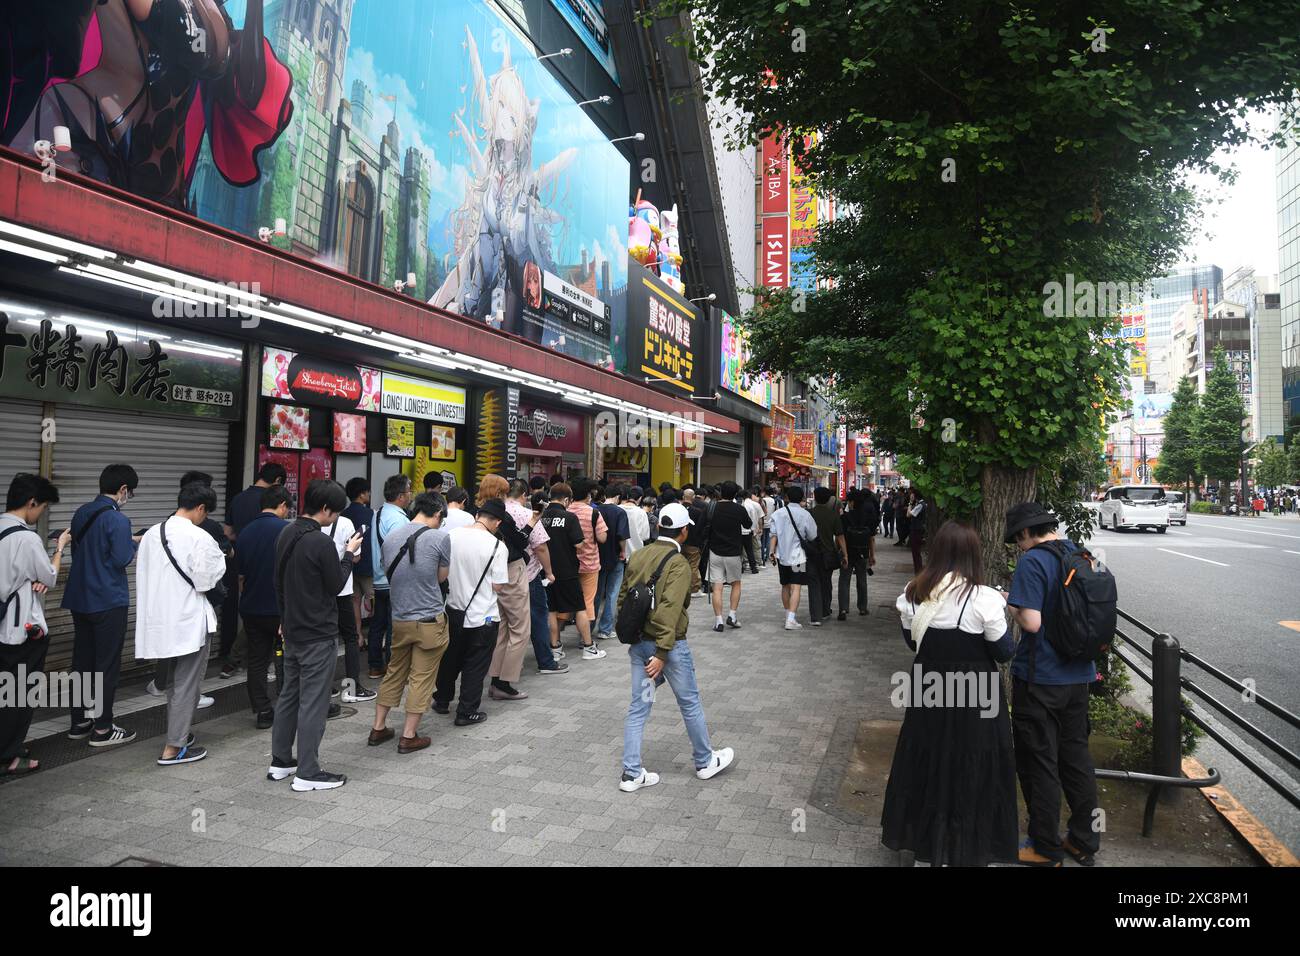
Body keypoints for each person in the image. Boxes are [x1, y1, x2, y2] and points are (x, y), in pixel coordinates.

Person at [882, 521, 1017, 866]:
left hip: (930, 686)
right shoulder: (984, 598)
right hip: (977, 691)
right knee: (973, 762)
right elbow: (1003, 652)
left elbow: (913, 642)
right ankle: (967, 845)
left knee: (929, 758)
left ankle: (927, 848)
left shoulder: (913, 594)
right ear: (974, 555)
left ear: (936, 551)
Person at [1004, 502, 1101, 867]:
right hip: (1079, 676)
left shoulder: (1033, 561)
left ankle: (1045, 846)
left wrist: (1011, 605)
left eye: (1018, 538)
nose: (1018, 545)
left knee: (1038, 760)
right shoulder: (1079, 552)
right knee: (1076, 758)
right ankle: (1083, 840)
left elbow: (1030, 623)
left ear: (1027, 532)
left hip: (1040, 677)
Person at [618, 502, 735, 792]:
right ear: (683, 532)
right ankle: (705, 761)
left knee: (639, 708)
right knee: (689, 702)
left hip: (640, 647)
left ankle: (632, 774)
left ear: (659, 527)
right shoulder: (678, 563)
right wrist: (661, 653)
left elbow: (623, 601)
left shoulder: (639, 555)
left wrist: (641, 644)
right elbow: (669, 609)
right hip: (667, 650)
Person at [270, 480, 363, 791]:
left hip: (292, 628)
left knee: (288, 697)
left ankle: (281, 761)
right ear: (325, 509)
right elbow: (336, 585)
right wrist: (349, 554)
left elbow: (279, 581)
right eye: (335, 512)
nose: (335, 518)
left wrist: (283, 619)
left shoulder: (285, 532)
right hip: (318, 632)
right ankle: (308, 771)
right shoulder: (320, 542)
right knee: (313, 702)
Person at [135, 482, 228, 766]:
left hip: (158, 621)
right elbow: (207, 580)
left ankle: (180, 735)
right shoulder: (198, 537)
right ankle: (173, 748)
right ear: (200, 508)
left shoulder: (152, 533)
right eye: (205, 512)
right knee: (187, 685)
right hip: (188, 621)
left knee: (174, 684)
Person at [63, 463, 139, 748]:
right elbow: (121, 559)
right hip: (108, 599)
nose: (128, 497)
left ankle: (79, 721)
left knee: (82, 662)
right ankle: (103, 728)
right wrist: (134, 544)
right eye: (129, 492)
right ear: (122, 489)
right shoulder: (118, 520)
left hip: (80, 598)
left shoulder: (82, 512)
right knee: (106, 665)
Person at [370, 492, 451, 753]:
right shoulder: (440, 538)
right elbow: (441, 578)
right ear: (437, 513)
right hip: (428, 619)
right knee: (422, 678)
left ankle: (378, 728)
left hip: (400, 618)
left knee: (394, 672)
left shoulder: (391, 536)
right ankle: (408, 735)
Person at [1, 474, 70, 776]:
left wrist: (30, 579)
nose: (41, 512)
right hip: (19, 632)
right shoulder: (26, 538)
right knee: (18, 694)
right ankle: (10, 755)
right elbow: (50, 577)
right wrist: (59, 548)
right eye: (42, 506)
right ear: (31, 503)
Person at [147, 471, 225, 709]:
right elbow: (206, 580)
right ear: (201, 507)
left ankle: (162, 685)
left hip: (163, 607)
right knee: (189, 668)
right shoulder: (203, 531)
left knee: (171, 653)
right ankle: (177, 736)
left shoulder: (157, 530)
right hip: (192, 609)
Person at [433, 497, 510, 725]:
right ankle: (466, 711)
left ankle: (443, 700)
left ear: (478, 515)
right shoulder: (497, 546)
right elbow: (498, 585)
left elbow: (441, 573)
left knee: (449, 659)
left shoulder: (452, 536)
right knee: (476, 664)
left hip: (453, 610)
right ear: (496, 522)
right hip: (483, 615)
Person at [223, 461, 289, 677]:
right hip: (272, 570)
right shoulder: (279, 522)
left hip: (244, 567)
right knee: (272, 622)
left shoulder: (239, 498)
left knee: (253, 622)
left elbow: (229, 532)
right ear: (278, 482)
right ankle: (272, 666)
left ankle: (233, 661)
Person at [235, 485, 292, 728]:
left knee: (257, 660)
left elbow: (240, 576)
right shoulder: (286, 530)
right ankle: (288, 703)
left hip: (251, 607)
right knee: (288, 657)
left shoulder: (245, 532)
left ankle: (262, 710)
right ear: (281, 505)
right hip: (280, 608)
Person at [482, 476, 538, 700]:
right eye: (504, 493)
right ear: (499, 493)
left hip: (491, 575)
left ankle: (496, 678)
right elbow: (522, 541)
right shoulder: (501, 516)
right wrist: (532, 523)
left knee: (503, 628)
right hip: (511, 572)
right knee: (520, 629)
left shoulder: (478, 513)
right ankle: (504, 682)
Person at [541, 484, 605, 660]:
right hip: (567, 569)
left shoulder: (542, 517)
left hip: (547, 571)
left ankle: (555, 648)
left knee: (552, 610)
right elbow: (578, 543)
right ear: (567, 499)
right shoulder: (569, 517)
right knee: (579, 607)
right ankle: (589, 647)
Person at [512, 483, 567, 676]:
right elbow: (540, 547)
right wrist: (549, 572)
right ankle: (546, 661)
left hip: (500, 576)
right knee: (537, 617)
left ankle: (505, 666)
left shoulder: (494, 512)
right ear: (524, 495)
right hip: (528, 574)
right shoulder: (527, 515)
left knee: (506, 622)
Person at [322, 501, 374, 704]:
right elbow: (356, 558)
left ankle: (326, 688)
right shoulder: (344, 523)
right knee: (350, 638)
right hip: (342, 590)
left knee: (325, 638)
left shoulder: (307, 524)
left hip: (319, 592)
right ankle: (352, 688)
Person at [369, 474, 412, 680]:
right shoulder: (398, 519)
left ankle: (375, 665)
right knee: (394, 627)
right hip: (393, 580)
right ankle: (394, 670)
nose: (411, 495)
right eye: (409, 491)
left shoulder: (377, 513)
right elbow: (400, 550)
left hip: (379, 579)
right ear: (401, 496)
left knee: (378, 624)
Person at [769, 485, 822, 629]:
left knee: (785, 586)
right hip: (798, 556)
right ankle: (791, 619)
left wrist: (771, 552)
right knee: (796, 587)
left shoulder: (778, 514)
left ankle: (788, 615)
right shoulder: (805, 514)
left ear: (786, 497)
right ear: (802, 498)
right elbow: (813, 535)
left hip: (781, 555)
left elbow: (773, 534)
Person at [704, 480, 751, 632]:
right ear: (735, 494)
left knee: (717, 587)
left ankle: (718, 621)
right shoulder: (739, 509)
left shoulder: (712, 508)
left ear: (720, 492)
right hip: (733, 552)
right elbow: (748, 525)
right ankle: (732, 615)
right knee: (735, 584)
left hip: (715, 552)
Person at [566, 478, 609, 635]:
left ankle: (556, 643)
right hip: (589, 564)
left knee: (565, 601)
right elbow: (602, 538)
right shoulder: (593, 512)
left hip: (567, 564)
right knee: (588, 601)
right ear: (588, 495)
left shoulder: (566, 511)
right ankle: (586, 639)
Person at [340, 478, 375, 665]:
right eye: (367, 492)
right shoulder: (370, 514)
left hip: (349, 566)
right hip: (369, 566)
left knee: (354, 601)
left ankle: (358, 636)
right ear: (362, 494)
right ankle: (376, 636)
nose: (369, 495)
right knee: (374, 599)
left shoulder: (343, 515)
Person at [593, 484, 630, 642]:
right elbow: (622, 536)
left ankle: (587, 629)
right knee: (612, 593)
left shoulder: (596, 510)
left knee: (595, 594)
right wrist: (623, 552)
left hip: (596, 558)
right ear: (618, 496)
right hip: (615, 557)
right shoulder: (620, 512)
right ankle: (605, 629)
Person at [810, 487, 848, 623]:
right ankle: (826, 610)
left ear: (814, 497)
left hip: (812, 554)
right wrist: (845, 554)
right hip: (828, 553)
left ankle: (815, 611)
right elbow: (840, 536)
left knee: (814, 583)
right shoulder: (833, 515)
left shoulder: (809, 513)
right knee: (826, 582)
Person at [839, 488, 877, 619]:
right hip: (862, 552)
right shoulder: (868, 518)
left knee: (844, 580)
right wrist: (872, 555)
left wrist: (843, 554)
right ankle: (862, 608)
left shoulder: (844, 517)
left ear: (852, 502)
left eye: (848, 501)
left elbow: (841, 537)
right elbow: (871, 538)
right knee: (862, 580)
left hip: (848, 552)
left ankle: (843, 609)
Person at [681, 488, 706, 593]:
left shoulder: (678, 509)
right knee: (693, 566)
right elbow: (702, 529)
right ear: (694, 497)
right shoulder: (698, 512)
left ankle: (681, 586)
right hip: (694, 543)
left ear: (683, 497)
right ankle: (694, 588)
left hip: (679, 542)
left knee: (680, 565)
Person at [620, 485, 650, 558]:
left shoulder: (618, 509)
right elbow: (645, 536)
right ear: (640, 498)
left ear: (627, 496)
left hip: (619, 554)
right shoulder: (642, 513)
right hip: (636, 554)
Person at [742, 487, 764, 574]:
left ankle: (742, 566)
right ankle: (754, 567)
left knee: (741, 550)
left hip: (742, 530)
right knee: (751, 549)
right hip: (751, 529)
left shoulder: (743, 505)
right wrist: (759, 528)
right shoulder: (754, 504)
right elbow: (759, 518)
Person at [907, 490, 927, 574]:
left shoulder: (920, 505)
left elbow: (908, 514)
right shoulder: (921, 504)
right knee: (915, 551)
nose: (911, 496)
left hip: (917, 530)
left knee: (916, 552)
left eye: (912, 495)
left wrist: (910, 503)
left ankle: (918, 571)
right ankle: (918, 570)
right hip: (917, 529)